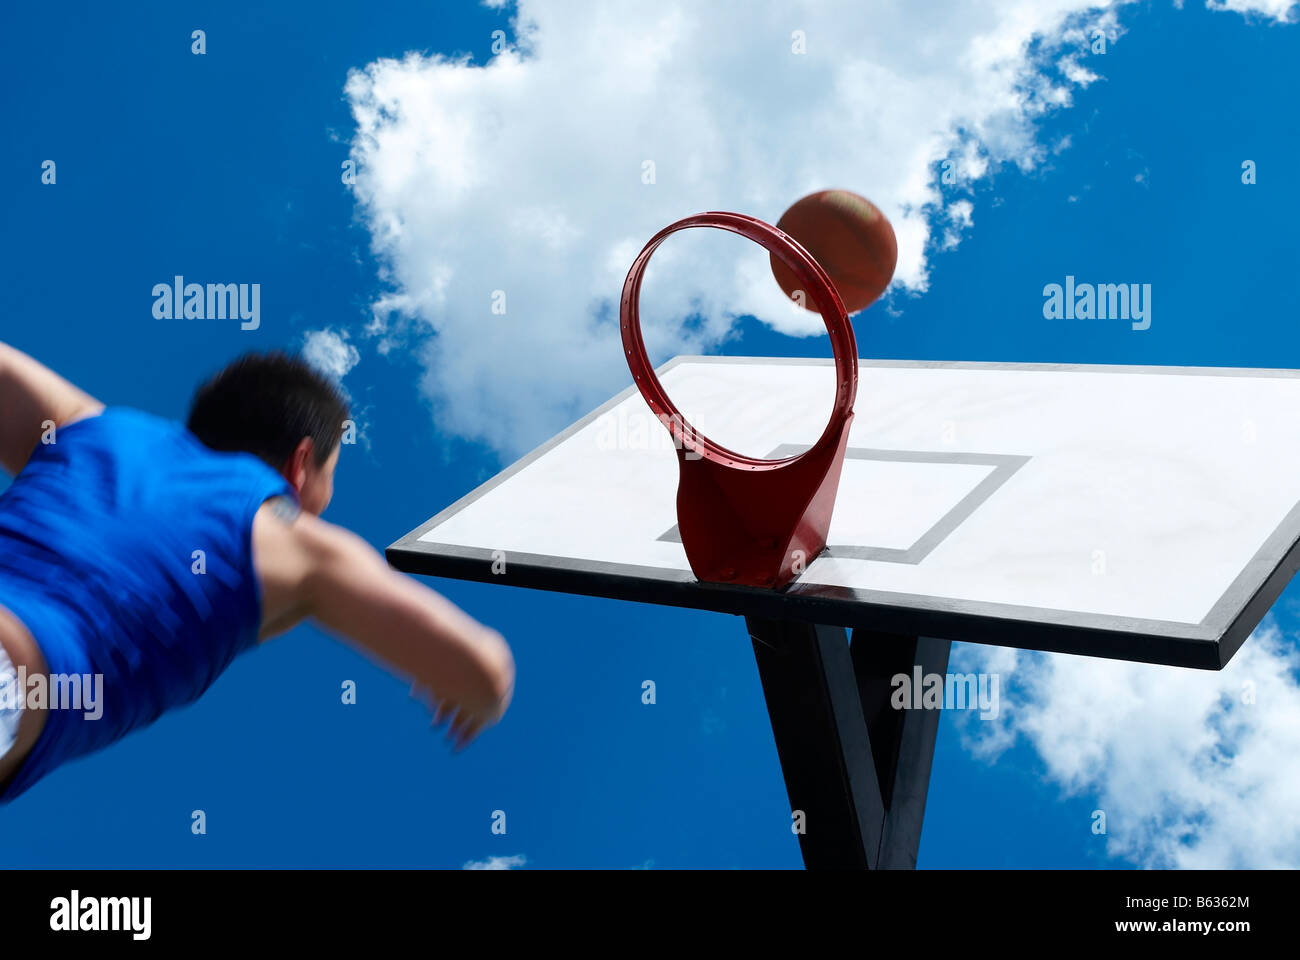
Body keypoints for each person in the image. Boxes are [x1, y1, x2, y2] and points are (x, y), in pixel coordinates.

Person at [0, 342, 514, 803]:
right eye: (330, 478)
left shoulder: (84, 425)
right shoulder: (299, 545)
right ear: (302, 463)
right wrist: (465, 689)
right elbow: (483, 671)